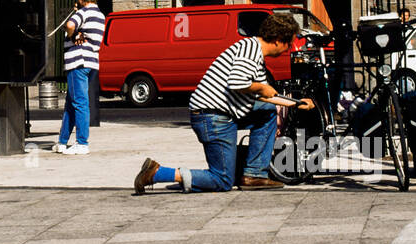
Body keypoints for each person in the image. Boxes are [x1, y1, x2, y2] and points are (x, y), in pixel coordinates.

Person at [134, 11, 312, 194]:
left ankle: (254, 174)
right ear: (278, 40)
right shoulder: (249, 50)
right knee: (221, 180)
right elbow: (237, 83)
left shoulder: (255, 54)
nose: (289, 49)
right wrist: (260, 87)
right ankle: (157, 173)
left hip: (220, 112)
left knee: (267, 111)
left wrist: (296, 103)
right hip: (212, 115)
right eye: (289, 44)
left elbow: (266, 97)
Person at [52, 0, 105, 155]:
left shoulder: (83, 12)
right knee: (71, 102)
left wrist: (72, 34)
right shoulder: (99, 15)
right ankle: (62, 141)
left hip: (77, 61)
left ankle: (82, 142)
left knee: (80, 102)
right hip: (91, 61)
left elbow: (69, 25)